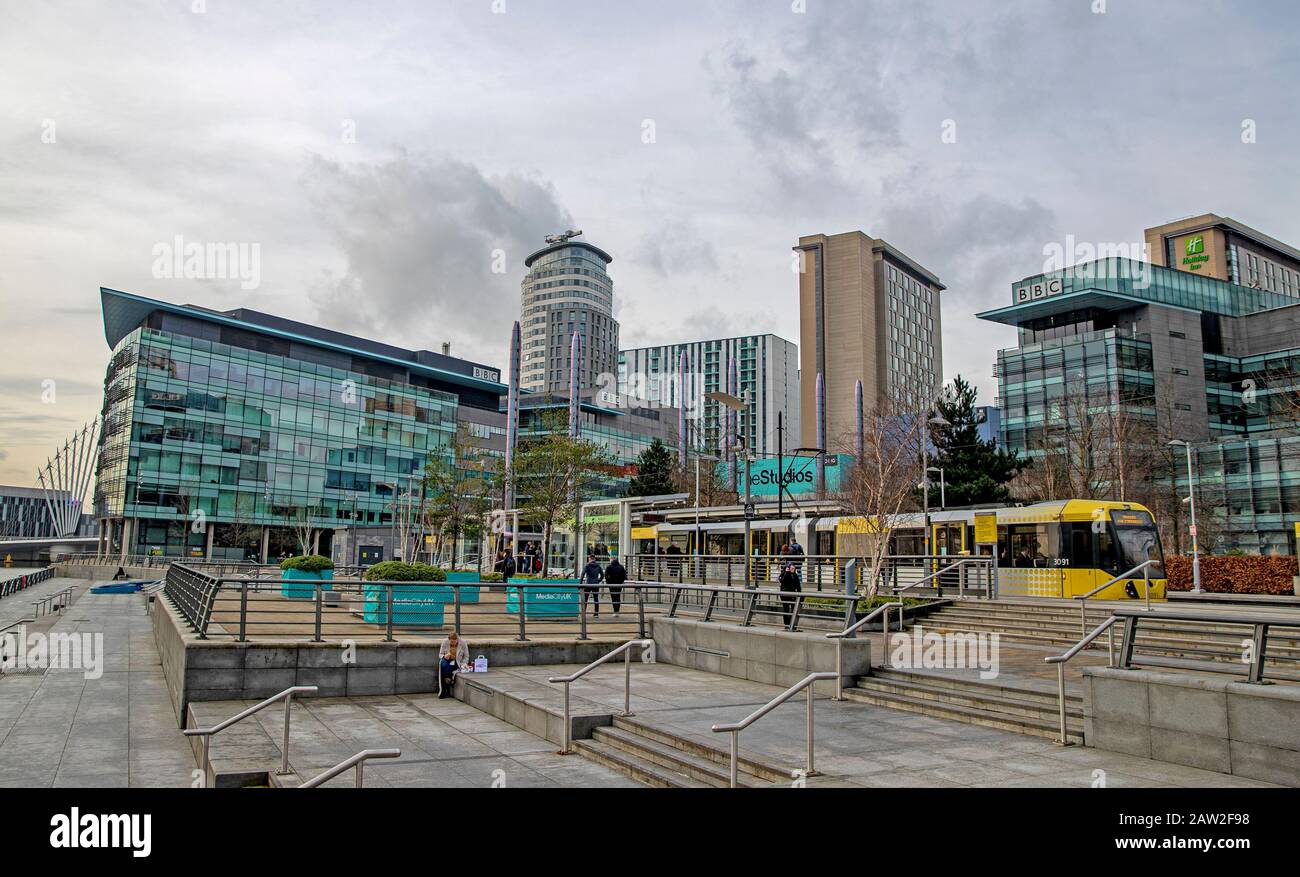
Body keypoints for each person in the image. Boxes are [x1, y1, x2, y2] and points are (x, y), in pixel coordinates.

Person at [438, 631, 469, 698]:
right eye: (451, 642)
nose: (453, 643)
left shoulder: (463, 643)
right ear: (449, 640)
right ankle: (449, 679)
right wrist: (445, 656)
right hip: (447, 660)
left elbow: (466, 656)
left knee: (445, 669)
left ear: (457, 639)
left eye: (454, 642)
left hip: (457, 662)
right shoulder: (445, 642)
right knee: (443, 664)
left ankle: (444, 690)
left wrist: (463, 664)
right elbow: (440, 654)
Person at [778, 561, 802, 629]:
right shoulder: (784, 574)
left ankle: (792, 624)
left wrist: (800, 594)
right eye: (791, 568)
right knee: (786, 609)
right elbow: (782, 581)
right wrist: (787, 573)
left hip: (792, 594)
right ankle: (786, 624)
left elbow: (798, 585)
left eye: (794, 569)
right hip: (784, 594)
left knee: (793, 609)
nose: (793, 570)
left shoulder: (795, 575)